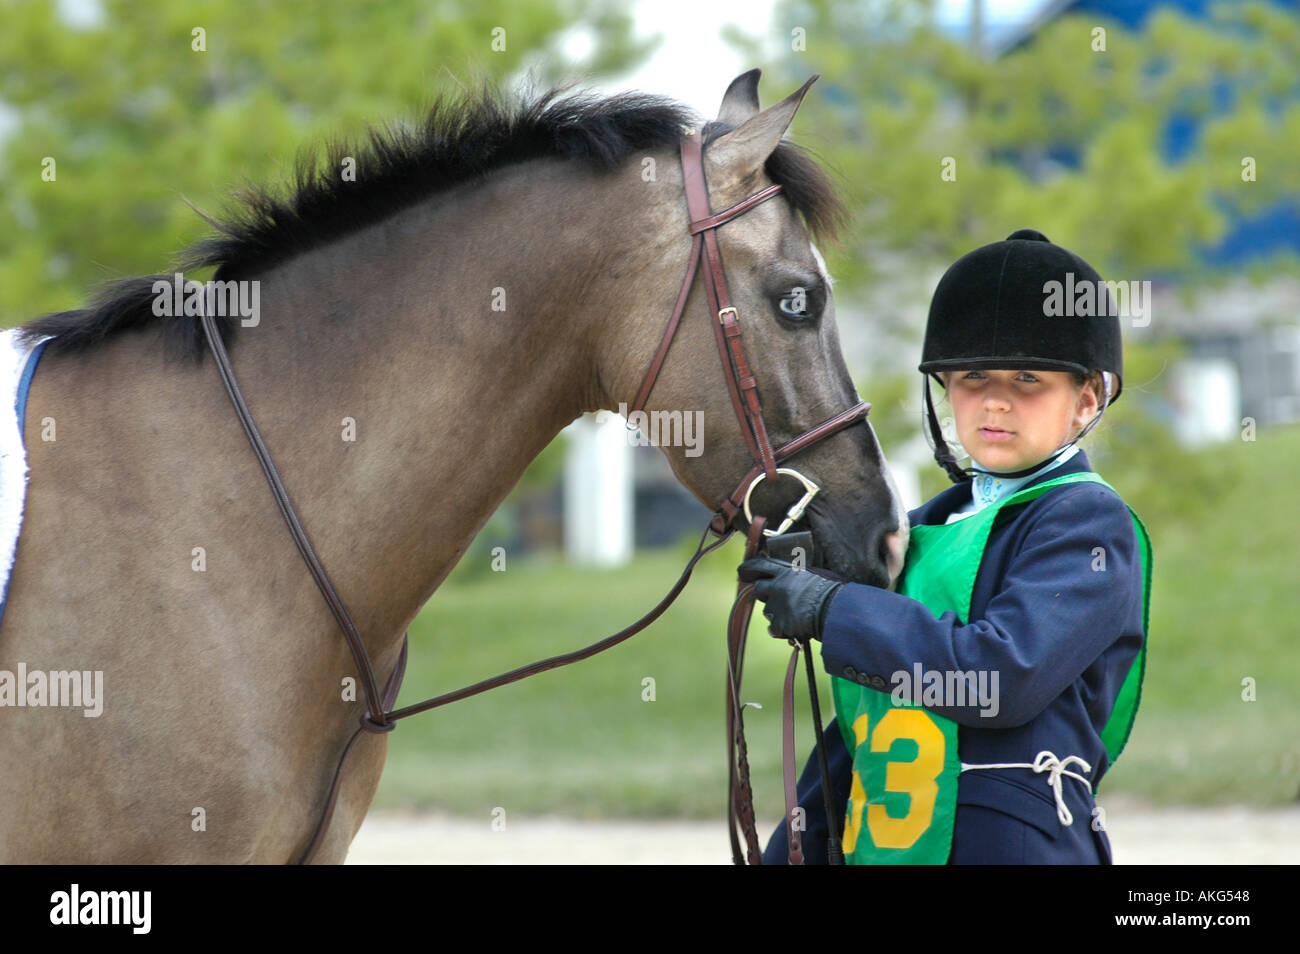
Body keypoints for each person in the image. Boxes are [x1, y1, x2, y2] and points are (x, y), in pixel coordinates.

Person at [739, 229, 1152, 865]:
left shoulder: (1088, 523)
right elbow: (866, 729)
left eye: (1027, 379)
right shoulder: (915, 529)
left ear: (1086, 400)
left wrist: (834, 611)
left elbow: (999, 677)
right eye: (973, 376)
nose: (994, 400)